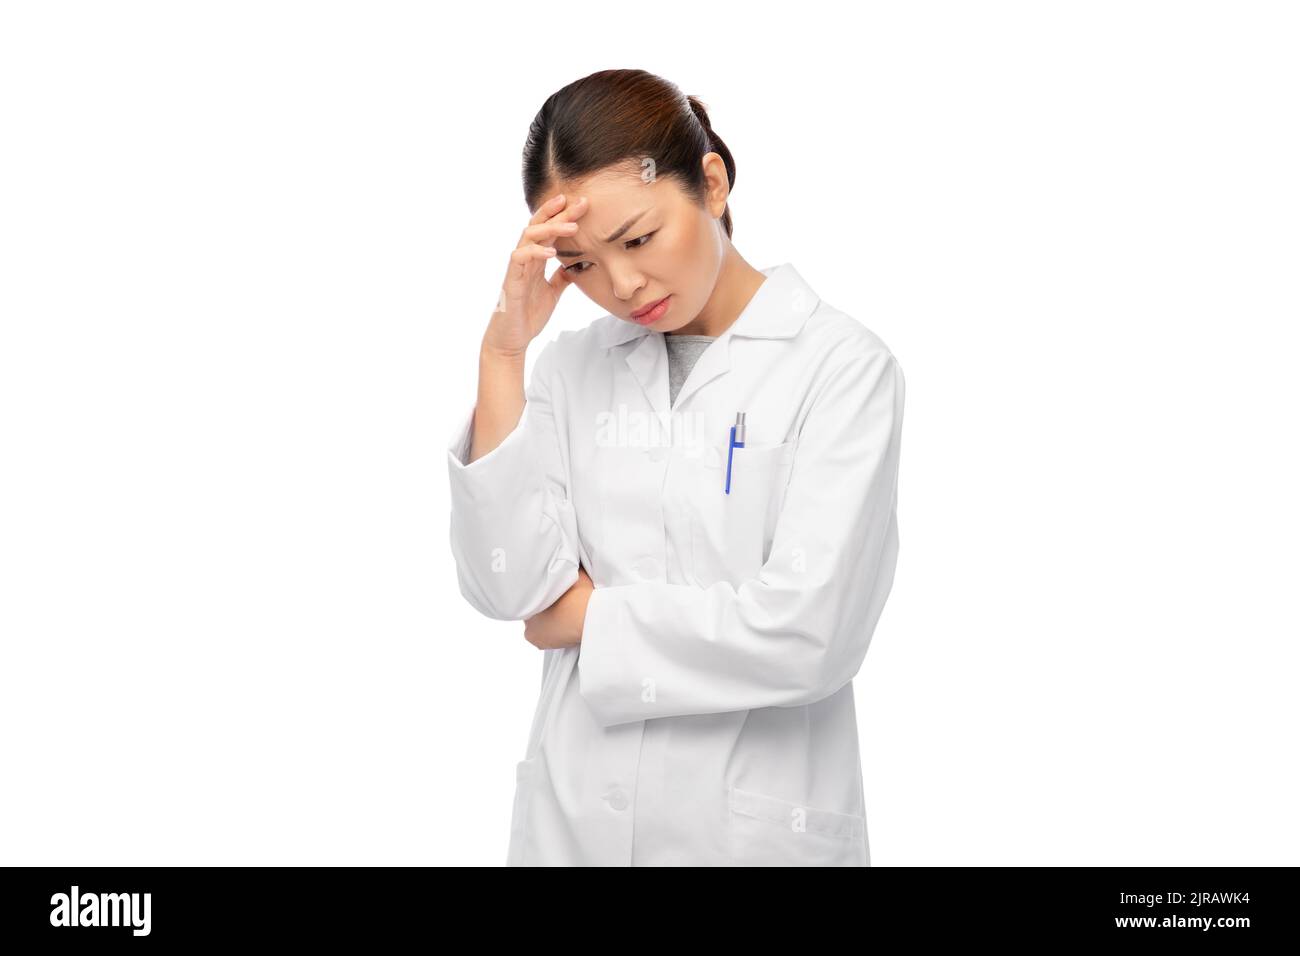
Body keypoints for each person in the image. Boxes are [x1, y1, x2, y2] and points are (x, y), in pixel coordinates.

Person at [446, 68, 906, 866]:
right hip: (572, 824)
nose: (622, 285)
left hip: (755, 835)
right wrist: (504, 350)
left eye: (637, 239)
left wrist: (591, 619)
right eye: (581, 264)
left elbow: (809, 633)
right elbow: (509, 589)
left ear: (713, 183)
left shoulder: (841, 368)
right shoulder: (566, 371)